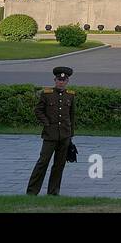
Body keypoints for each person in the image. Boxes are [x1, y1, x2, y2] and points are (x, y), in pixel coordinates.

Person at [27, 66, 76, 195]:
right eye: (59, 80)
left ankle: (53, 192)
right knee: (42, 163)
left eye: (64, 80)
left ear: (67, 82)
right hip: (50, 135)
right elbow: (38, 110)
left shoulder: (70, 96)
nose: (61, 82)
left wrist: (71, 134)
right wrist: (46, 123)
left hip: (64, 135)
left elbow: (72, 116)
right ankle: (32, 191)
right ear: (55, 80)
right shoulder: (47, 94)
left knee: (59, 165)